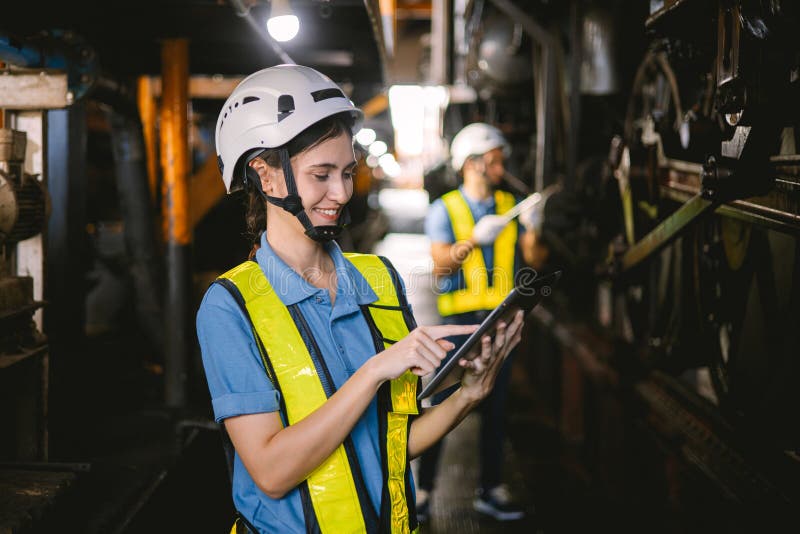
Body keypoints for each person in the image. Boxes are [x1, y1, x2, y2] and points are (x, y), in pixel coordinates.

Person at [196, 65, 526, 534]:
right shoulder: (231, 306)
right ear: (265, 177)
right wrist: (374, 371)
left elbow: (391, 443)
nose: (342, 192)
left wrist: (468, 396)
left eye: (347, 172)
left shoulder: (380, 280)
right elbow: (270, 473)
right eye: (321, 174)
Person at [417, 122, 547, 522]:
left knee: (495, 407)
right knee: (442, 402)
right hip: (458, 325)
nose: (501, 166)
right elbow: (440, 267)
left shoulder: (511, 205)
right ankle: (422, 492)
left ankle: (489, 490)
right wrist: (473, 239)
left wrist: (535, 228)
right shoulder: (446, 209)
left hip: (500, 323)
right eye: (495, 160)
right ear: (472, 164)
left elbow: (535, 260)